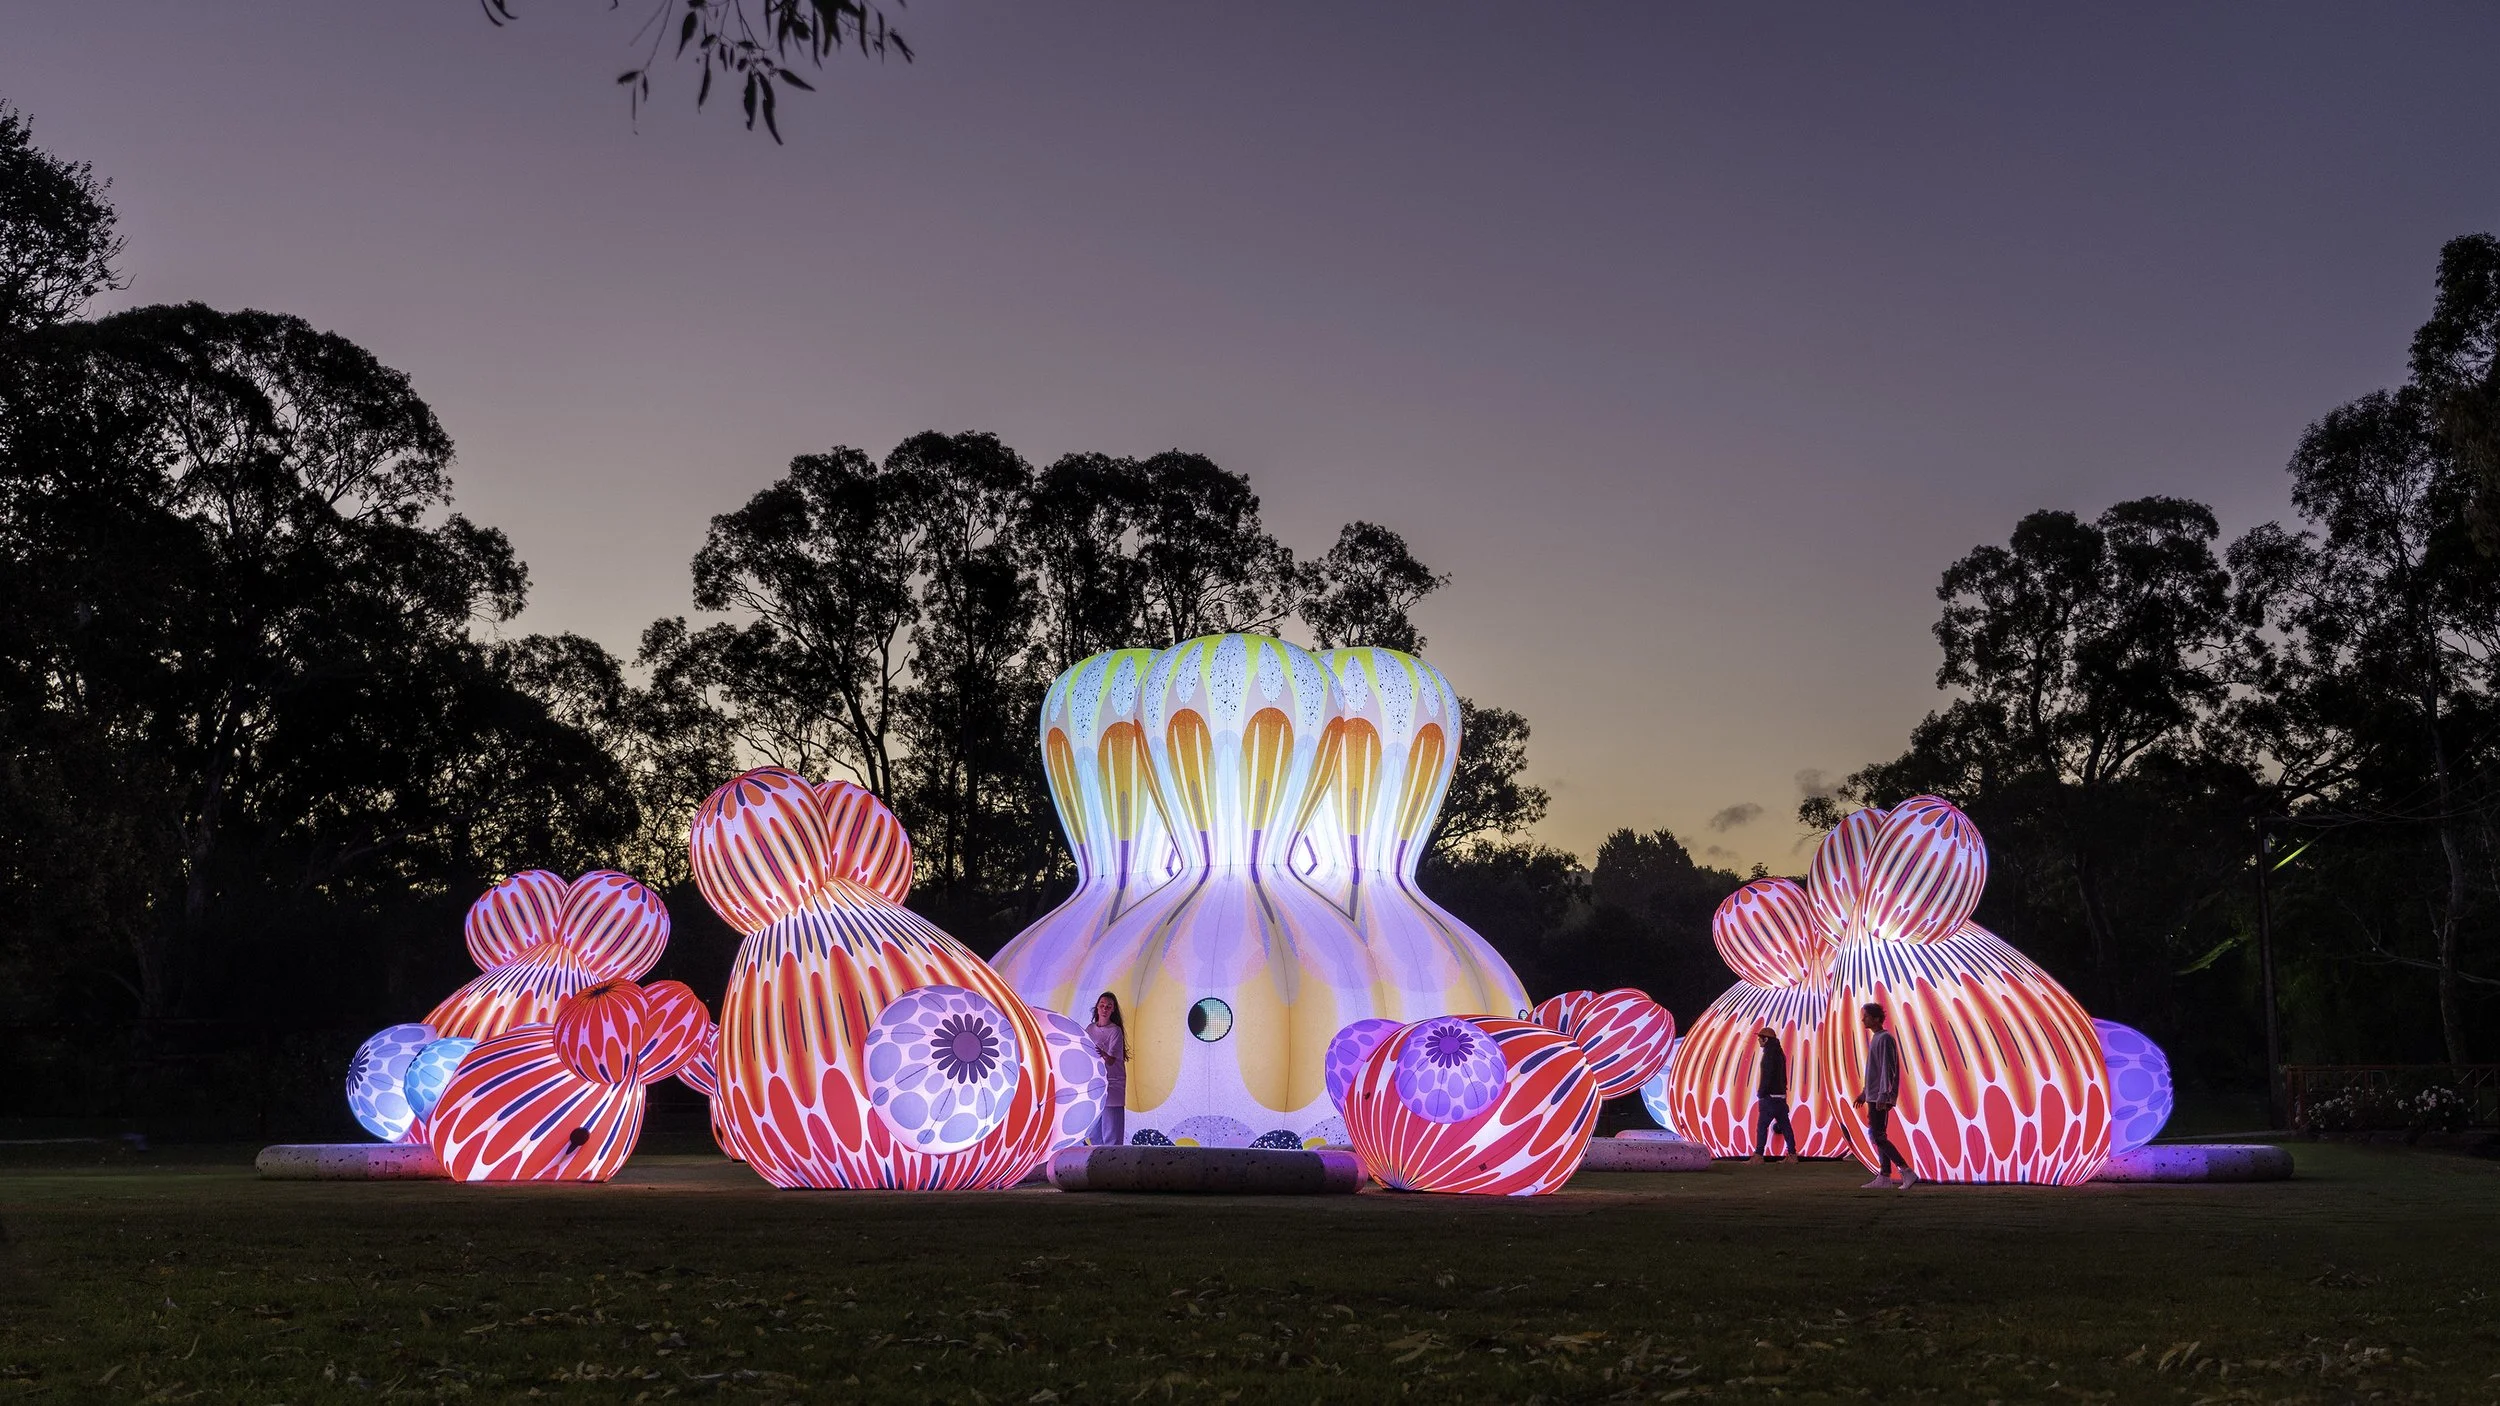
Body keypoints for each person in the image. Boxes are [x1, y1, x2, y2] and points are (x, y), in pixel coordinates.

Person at [1851, 1001, 1917, 1188]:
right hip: (1874, 1095)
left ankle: (1906, 1170)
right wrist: (1865, 1093)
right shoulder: (1877, 1039)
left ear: (1876, 1018)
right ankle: (1885, 1176)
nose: (1863, 1019)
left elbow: (1888, 1069)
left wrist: (1883, 1095)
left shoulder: (1885, 1039)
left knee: (1878, 1135)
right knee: (1877, 1134)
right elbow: (1874, 1070)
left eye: (1866, 1016)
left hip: (1879, 1096)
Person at [1085, 991, 1129, 1147]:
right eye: (1102, 1005)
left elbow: (1111, 1060)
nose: (1104, 1009)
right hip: (1095, 1084)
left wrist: (1101, 1053)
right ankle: (1097, 1163)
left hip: (1112, 1084)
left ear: (1113, 1010)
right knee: (1094, 1132)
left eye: (1108, 1007)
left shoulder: (1115, 1031)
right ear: (1097, 1007)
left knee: (1112, 1132)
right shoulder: (1090, 1029)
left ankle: (1113, 1165)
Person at [1751, 1026, 1797, 1162]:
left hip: (1769, 1098)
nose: (1759, 1041)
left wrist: (1761, 1093)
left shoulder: (1768, 1056)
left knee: (1762, 1127)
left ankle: (1758, 1156)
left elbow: (1767, 1076)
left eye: (1760, 1038)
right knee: (1785, 1126)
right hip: (1781, 1097)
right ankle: (1793, 1155)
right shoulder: (1780, 1054)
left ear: (1766, 1039)